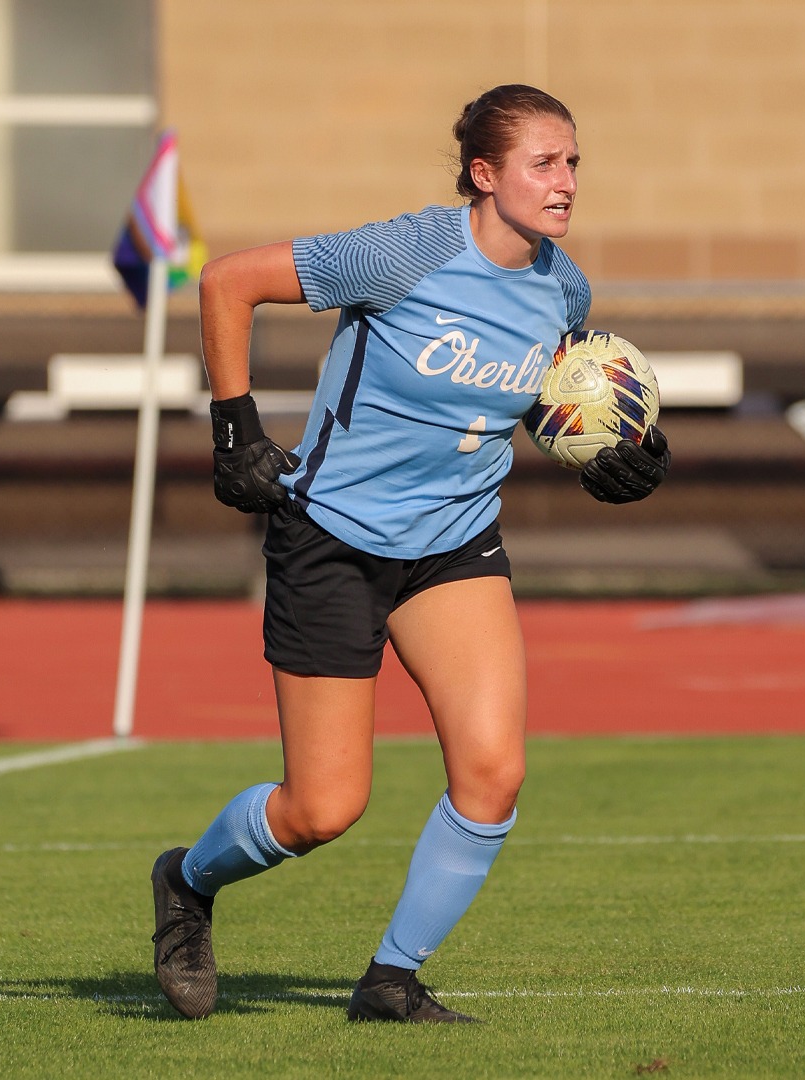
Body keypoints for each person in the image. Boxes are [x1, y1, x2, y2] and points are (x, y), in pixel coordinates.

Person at [148, 84, 671, 1024]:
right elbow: (227, 281)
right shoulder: (406, 252)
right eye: (544, 164)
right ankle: (187, 883)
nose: (565, 183)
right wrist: (234, 428)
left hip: (454, 544)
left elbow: (563, 402)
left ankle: (391, 981)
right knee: (322, 809)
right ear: (484, 174)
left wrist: (616, 455)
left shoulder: (565, 289)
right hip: (332, 539)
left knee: (493, 772)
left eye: (574, 163)